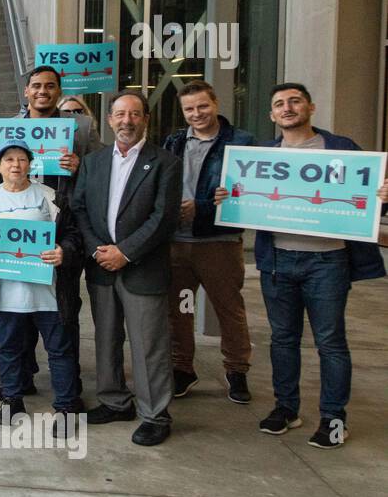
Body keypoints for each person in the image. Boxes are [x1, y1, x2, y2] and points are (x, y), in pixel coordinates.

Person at [226, 83, 388, 448]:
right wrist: (229, 197)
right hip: (277, 260)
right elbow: (243, 202)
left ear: (310, 107)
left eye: (295, 101)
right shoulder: (263, 154)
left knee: (330, 343)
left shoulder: (341, 149)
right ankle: (286, 408)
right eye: (279, 104)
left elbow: (371, 198)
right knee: (283, 340)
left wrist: (382, 197)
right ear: (272, 115)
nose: (287, 107)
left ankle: (334, 418)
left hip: (327, 261)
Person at [0, 66, 101, 400]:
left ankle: (68, 384)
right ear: (26, 91)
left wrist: (81, 167)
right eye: (36, 86)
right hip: (17, 229)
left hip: (61, 225)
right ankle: (20, 379)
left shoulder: (80, 128)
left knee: (61, 309)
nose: (42, 92)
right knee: (16, 308)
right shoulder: (8, 129)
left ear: (58, 91)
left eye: (50, 86)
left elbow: (99, 172)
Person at [71, 91, 181, 446]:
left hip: (142, 267)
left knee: (148, 344)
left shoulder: (165, 162)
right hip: (101, 264)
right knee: (106, 337)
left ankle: (155, 413)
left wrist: (125, 252)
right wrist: (97, 250)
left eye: (134, 114)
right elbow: (81, 208)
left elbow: (163, 218)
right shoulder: (95, 161)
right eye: (120, 114)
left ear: (145, 119)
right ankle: (114, 400)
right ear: (109, 119)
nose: (126, 121)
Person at [0, 143, 83, 430]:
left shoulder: (51, 197)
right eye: (9, 160)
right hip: (7, 294)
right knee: (9, 349)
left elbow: (73, 234)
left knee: (59, 350)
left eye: (22, 160)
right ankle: (12, 400)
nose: (15, 165)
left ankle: (66, 408)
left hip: (48, 293)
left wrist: (64, 251)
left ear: (31, 165)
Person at [161, 80, 255, 404]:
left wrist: (201, 205)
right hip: (178, 243)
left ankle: (237, 370)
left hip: (219, 242)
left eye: (202, 106)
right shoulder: (173, 142)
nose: (197, 113)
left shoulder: (241, 143)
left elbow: (249, 192)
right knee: (180, 308)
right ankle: (182, 368)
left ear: (215, 103)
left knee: (228, 309)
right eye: (190, 109)